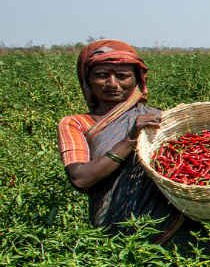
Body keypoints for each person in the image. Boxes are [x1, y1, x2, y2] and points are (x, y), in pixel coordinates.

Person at [57, 39, 193, 244]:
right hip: (114, 231)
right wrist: (130, 139)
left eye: (122, 76)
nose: (112, 84)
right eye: (102, 76)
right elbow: (81, 178)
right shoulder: (76, 124)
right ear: (88, 80)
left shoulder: (156, 119)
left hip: (172, 229)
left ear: (137, 80)